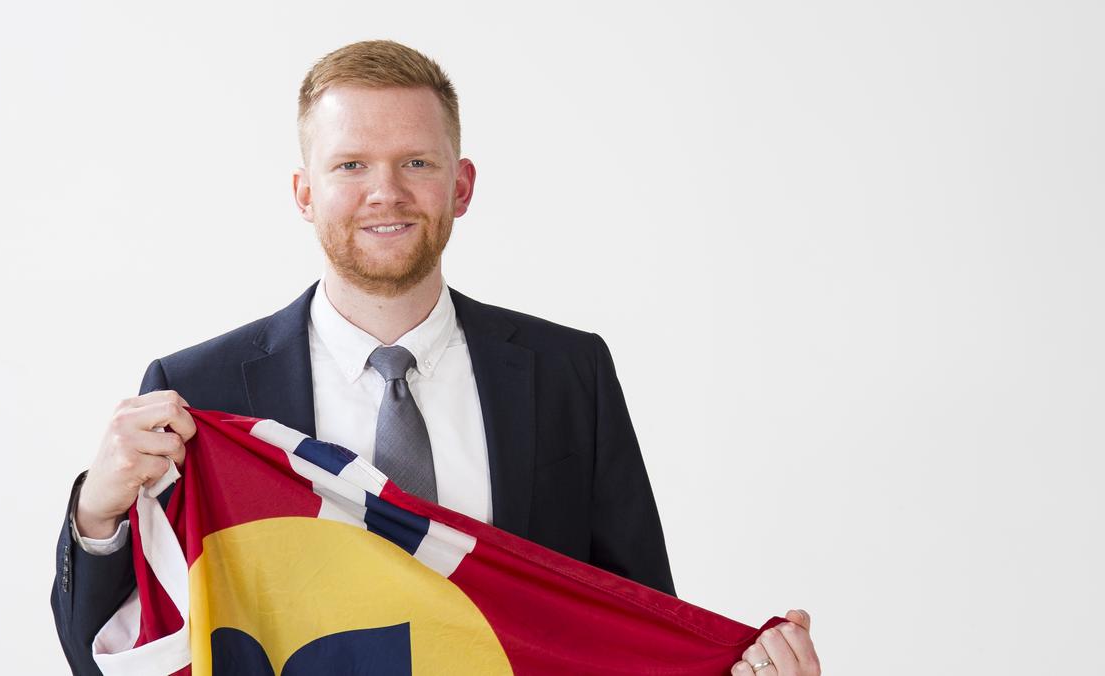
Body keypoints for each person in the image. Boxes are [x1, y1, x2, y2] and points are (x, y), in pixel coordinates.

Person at [50, 40, 820, 676]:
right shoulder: (198, 391)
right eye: (350, 165)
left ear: (461, 186)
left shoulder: (567, 376)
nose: (385, 192)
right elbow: (112, 656)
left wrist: (737, 668)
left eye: (416, 163)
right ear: (304, 192)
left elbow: (627, 627)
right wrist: (99, 513)